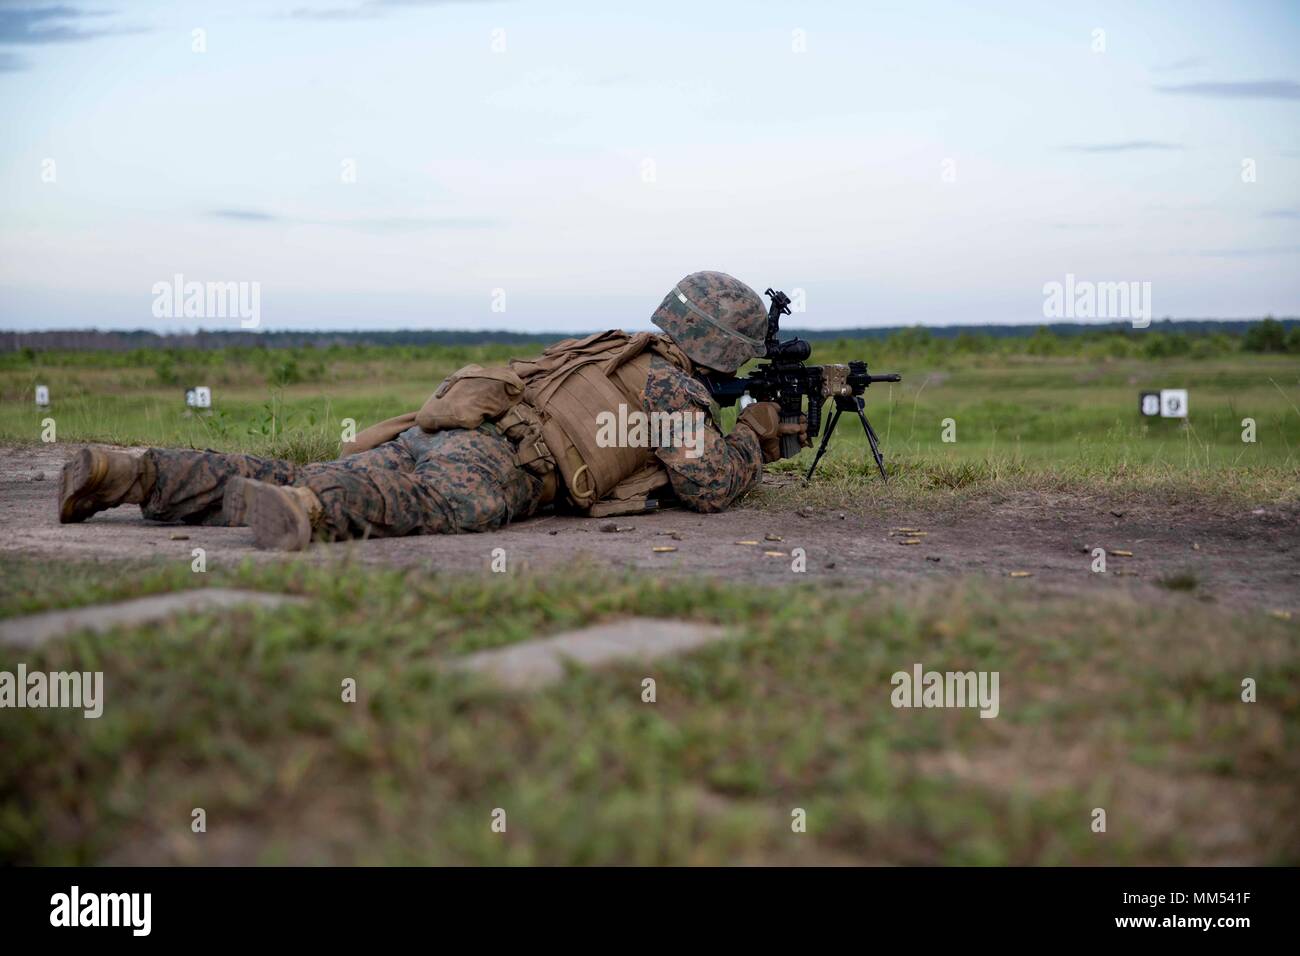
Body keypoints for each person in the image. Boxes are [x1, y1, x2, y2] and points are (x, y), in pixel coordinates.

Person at [59, 271, 808, 550]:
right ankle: (307, 509)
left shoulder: (611, 349)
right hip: (496, 460)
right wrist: (753, 437)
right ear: (722, 346)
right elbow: (706, 487)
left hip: (450, 426)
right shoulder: (673, 386)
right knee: (421, 503)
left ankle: (132, 473)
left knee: (305, 465)